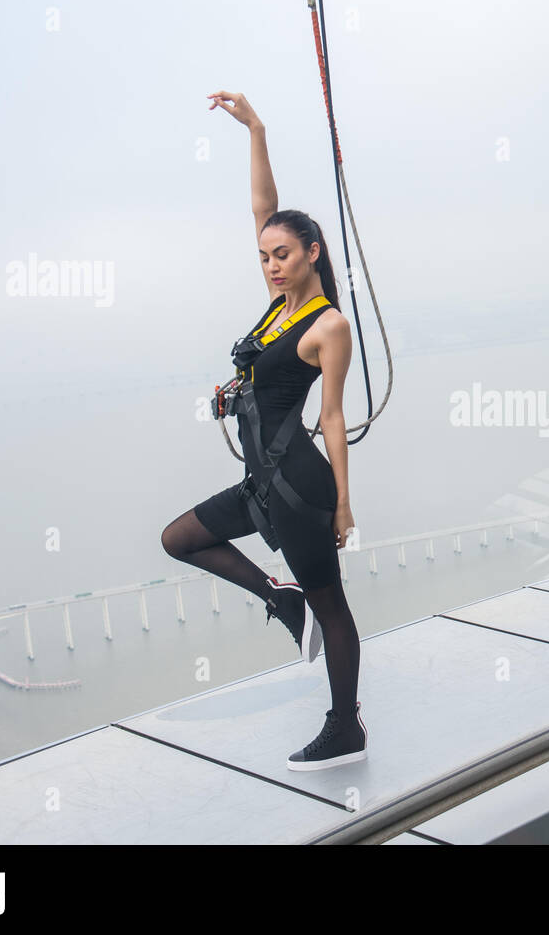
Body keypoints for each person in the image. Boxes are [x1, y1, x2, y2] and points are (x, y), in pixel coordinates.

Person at [161, 90, 367, 770]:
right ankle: (276, 596)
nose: (272, 263)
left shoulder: (326, 324)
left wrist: (342, 500)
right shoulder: (275, 310)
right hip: (261, 482)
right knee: (180, 538)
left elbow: (331, 416)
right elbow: (263, 209)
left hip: (300, 485)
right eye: (264, 257)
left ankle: (345, 727)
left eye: (283, 253)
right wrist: (255, 128)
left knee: (331, 607)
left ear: (312, 252)